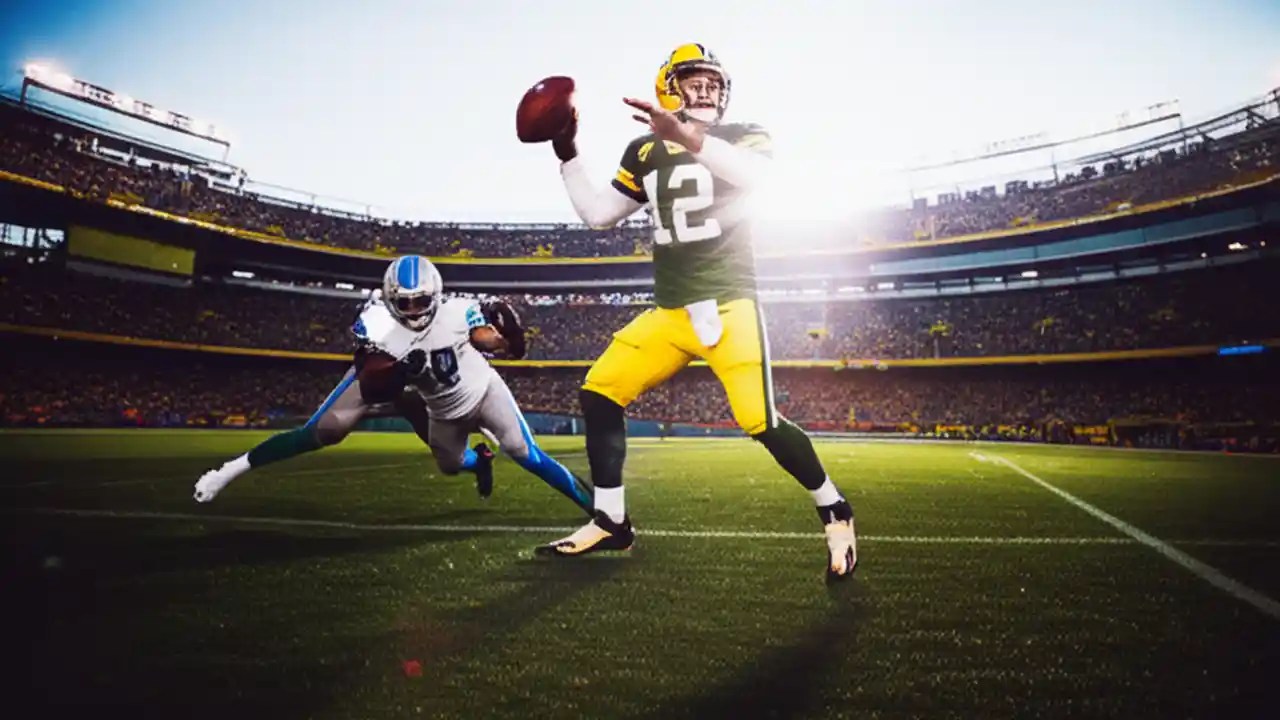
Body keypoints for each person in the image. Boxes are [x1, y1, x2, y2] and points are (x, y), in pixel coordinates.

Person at [533, 43, 857, 581]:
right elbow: (598, 215)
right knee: (600, 391)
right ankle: (611, 518)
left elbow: (757, 178)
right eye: (693, 79)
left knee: (761, 422)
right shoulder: (643, 149)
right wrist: (568, 154)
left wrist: (684, 134)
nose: (706, 88)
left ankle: (835, 510)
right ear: (668, 85)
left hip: (729, 304)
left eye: (713, 80)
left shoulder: (745, 135)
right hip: (670, 311)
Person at [193, 255, 593, 515]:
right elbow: (370, 378)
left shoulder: (457, 311)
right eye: (406, 304)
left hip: (480, 390)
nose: (416, 311)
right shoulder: (379, 324)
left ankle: (597, 508)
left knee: (525, 451)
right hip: (441, 408)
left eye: (422, 302)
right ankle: (229, 471)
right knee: (327, 432)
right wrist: (391, 376)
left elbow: (483, 338)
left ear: (436, 296)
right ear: (389, 300)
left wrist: (507, 340)